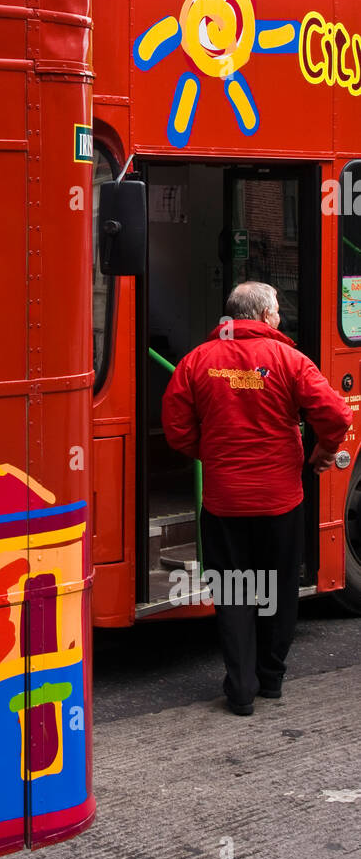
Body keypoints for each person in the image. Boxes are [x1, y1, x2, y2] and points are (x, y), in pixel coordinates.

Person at [161, 282, 352, 716]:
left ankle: (241, 690)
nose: (280, 317)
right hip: (280, 501)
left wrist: (210, 451)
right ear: (266, 316)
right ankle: (271, 680)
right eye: (278, 311)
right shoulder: (291, 360)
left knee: (234, 592)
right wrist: (321, 453)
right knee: (278, 590)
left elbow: (176, 428)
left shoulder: (196, 362)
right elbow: (337, 415)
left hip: (224, 503)